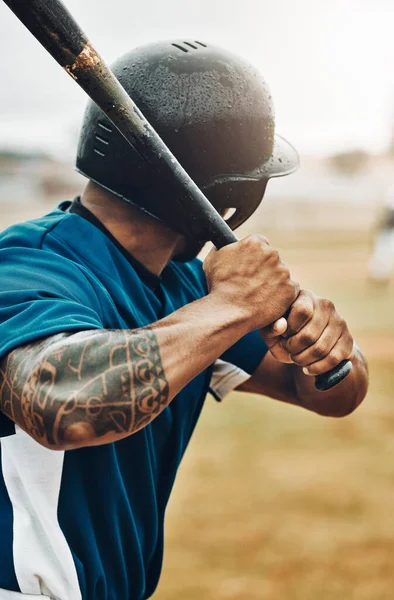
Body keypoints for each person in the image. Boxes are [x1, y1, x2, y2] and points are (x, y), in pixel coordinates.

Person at [0, 41, 368, 600]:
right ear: (230, 190)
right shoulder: (29, 265)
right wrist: (234, 306)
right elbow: (62, 404)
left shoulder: (188, 289)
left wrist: (331, 351)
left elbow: (330, 395)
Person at [367, 184, 394, 283]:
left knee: (383, 253)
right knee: (382, 254)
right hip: (386, 232)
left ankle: (380, 276)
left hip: (388, 232)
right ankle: (379, 276)